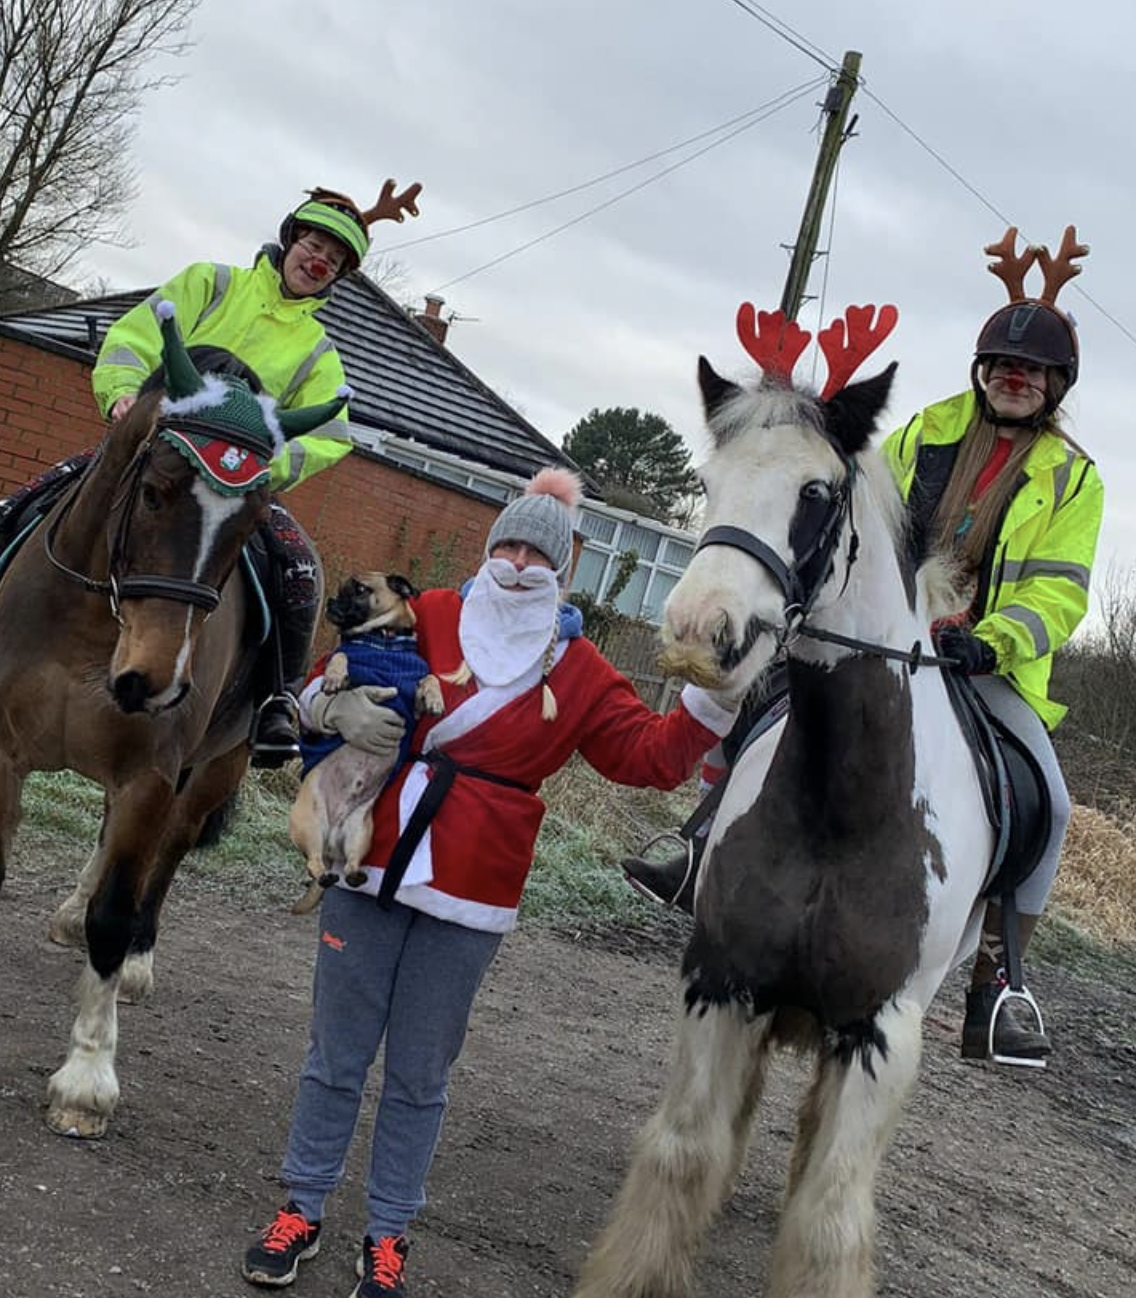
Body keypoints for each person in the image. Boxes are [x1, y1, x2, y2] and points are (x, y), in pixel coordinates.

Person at [240, 467, 740, 1296]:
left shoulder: (581, 671)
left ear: (563, 567)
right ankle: (302, 1205)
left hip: (474, 888)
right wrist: (328, 710)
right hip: (367, 856)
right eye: (507, 544)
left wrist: (715, 694)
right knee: (335, 1055)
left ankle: (388, 1233)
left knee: (419, 1076)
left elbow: (648, 758)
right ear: (487, 547)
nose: (517, 562)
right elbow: (329, 674)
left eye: (536, 552)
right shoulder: (430, 612)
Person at [623, 224, 1104, 1064]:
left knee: (1052, 805)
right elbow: (860, 519)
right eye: (1002, 365)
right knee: (760, 701)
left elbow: (1059, 591)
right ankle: (697, 847)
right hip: (888, 631)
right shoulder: (924, 431)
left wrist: (990, 641)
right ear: (982, 370)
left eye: (1032, 371)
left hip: (988, 663)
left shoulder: (1074, 477)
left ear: (1056, 384)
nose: (1014, 379)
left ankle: (1000, 979)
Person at [0, 178, 423, 766]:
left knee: (299, 567)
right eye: (313, 245)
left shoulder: (318, 351)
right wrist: (123, 396)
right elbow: (131, 339)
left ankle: (276, 700)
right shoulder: (211, 283)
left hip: (235, 482)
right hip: (155, 456)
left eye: (334, 260)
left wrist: (269, 467)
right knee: (22, 505)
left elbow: (333, 436)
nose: (319, 261)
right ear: (291, 240)